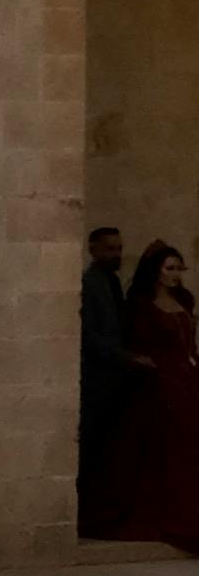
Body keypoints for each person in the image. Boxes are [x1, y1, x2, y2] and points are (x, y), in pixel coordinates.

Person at [118, 241, 199, 551]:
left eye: (179, 268)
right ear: (155, 271)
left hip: (187, 377)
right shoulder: (141, 304)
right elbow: (138, 345)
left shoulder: (184, 299)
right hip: (161, 381)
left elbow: (189, 344)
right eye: (169, 268)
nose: (175, 275)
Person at [83, 223, 142, 534]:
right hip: (97, 381)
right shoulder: (90, 283)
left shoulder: (112, 283)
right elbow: (88, 334)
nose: (115, 254)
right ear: (93, 249)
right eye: (109, 248)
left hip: (112, 380)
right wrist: (125, 358)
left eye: (118, 248)